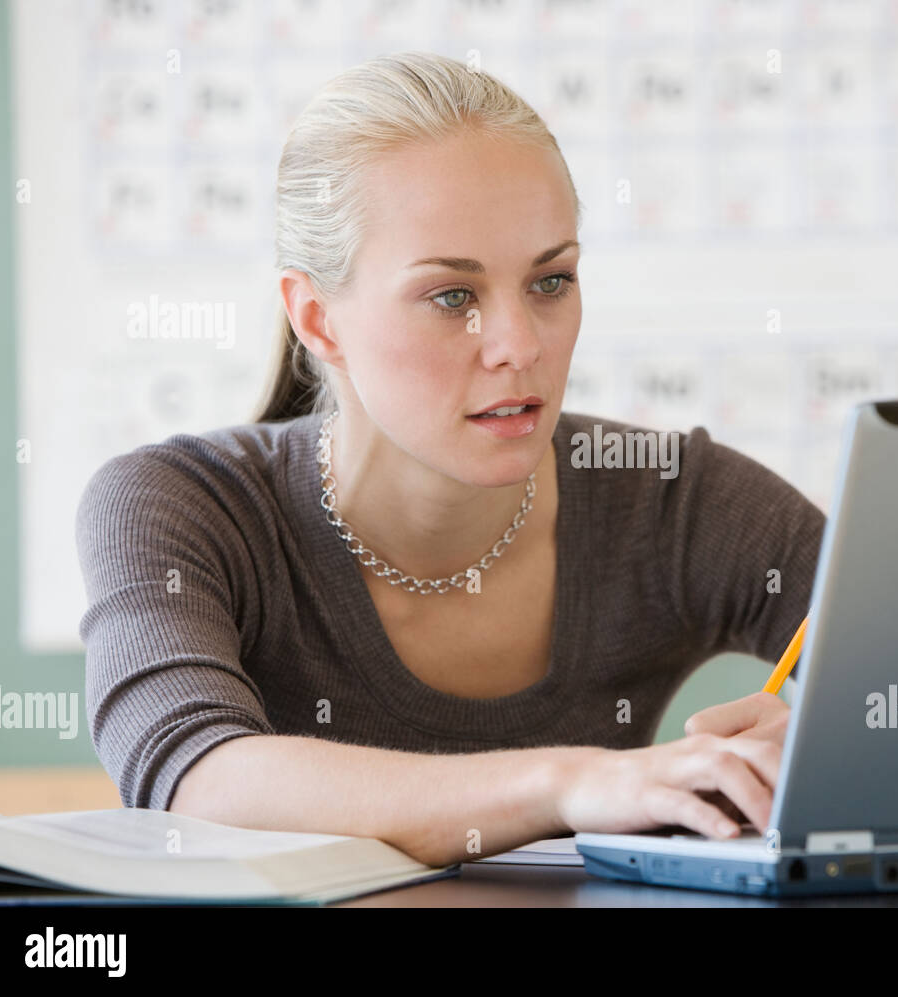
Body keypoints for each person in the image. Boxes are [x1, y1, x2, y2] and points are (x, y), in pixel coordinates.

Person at [75, 52, 824, 868]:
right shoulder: (176, 504)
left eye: (551, 281)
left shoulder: (672, 497)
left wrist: (842, 736)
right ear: (319, 320)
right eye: (452, 296)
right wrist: (574, 784)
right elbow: (197, 779)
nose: (519, 346)